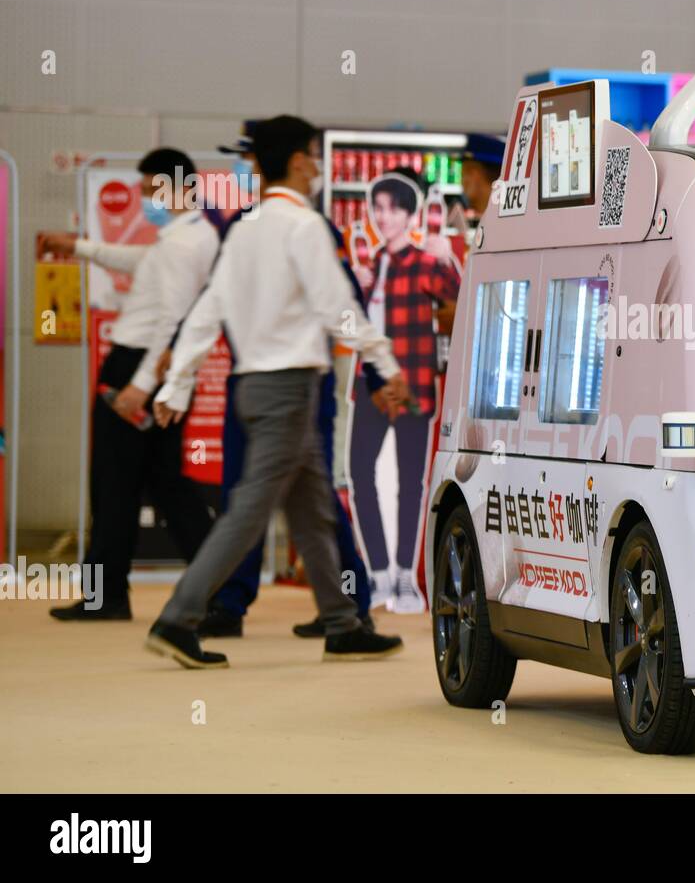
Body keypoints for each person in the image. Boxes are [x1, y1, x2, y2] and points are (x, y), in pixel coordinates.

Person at [146, 115, 408, 669]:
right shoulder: (304, 226)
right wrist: (383, 363)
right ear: (295, 161)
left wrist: (177, 384)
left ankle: (342, 624)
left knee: (312, 512)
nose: (318, 164)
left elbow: (207, 311)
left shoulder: (244, 228)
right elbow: (338, 308)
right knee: (248, 512)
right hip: (290, 389)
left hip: (254, 387)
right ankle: (178, 618)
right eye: (313, 154)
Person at [187, 138, 384, 639]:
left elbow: (345, 300)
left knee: (304, 503)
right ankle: (234, 604)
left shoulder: (308, 226)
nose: (247, 166)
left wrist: (381, 370)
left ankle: (346, 604)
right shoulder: (243, 225)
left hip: (300, 383)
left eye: (250, 157)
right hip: (251, 378)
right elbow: (215, 300)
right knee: (258, 495)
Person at [43, 148, 219, 621]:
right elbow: (139, 261)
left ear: (177, 187)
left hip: (138, 368)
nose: (144, 199)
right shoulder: (187, 238)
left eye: (149, 189)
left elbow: (171, 323)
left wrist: (139, 386)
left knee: (114, 486)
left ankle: (106, 596)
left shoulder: (180, 246)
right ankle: (217, 588)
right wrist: (79, 248)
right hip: (155, 372)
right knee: (168, 485)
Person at [348, 169, 460, 612]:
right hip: (370, 383)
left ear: (410, 215)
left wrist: (447, 259)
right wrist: (355, 287)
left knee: (411, 482)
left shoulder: (424, 262)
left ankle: (403, 576)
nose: (384, 217)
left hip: (410, 385)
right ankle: (378, 574)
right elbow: (349, 326)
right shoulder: (370, 264)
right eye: (378, 208)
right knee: (361, 475)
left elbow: (458, 299)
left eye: (393, 209)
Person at [445, 133, 503, 235]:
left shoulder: (501, 226)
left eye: (463, 175)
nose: (462, 183)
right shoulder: (500, 222)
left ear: (474, 174)